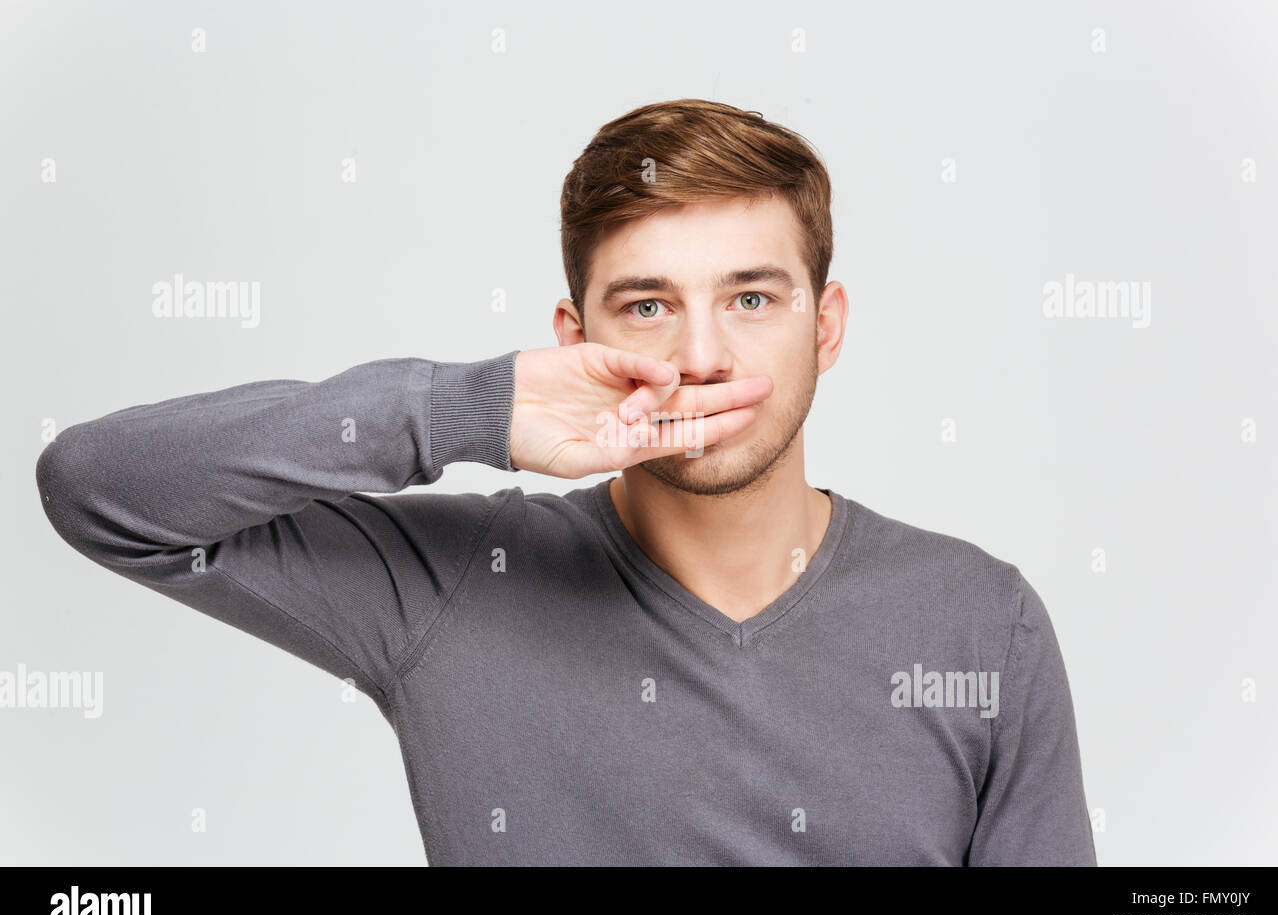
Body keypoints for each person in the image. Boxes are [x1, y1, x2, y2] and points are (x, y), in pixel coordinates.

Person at [35, 98, 1097, 865]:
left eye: (751, 299)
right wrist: (469, 408)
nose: (701, 355)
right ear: (574, 335)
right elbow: (100, 488)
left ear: (825, 327)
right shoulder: (455, 587)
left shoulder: (979, 622)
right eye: (647, 306)